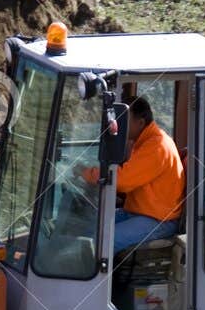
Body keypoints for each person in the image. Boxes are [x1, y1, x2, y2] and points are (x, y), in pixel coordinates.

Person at [78, 96, 184, 252]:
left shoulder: (157, 146)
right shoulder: (142, 142)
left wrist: (86, 173)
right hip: (137, 212)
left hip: (158, 220)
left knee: (103, 241)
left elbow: (122, 180)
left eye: (123, 120)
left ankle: (97, 268)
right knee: (89, 227)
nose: (118, 125)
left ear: (140, 122)